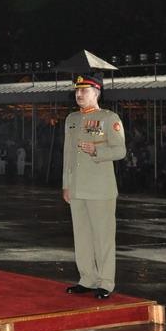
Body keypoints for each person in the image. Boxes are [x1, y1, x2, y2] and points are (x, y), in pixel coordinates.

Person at [63, 75, 126, 300]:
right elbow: (67, 156)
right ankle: (86, 279)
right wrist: (66, 185)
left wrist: (97, 151)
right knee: (82, 237)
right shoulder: (71, 119)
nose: (79, 94)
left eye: (84, 91)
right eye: (77, 91)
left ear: (96, 93)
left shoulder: (109, 118)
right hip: (77, 188)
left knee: (103, 237)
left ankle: (105, 283)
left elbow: (120, 151)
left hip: (100, 189)